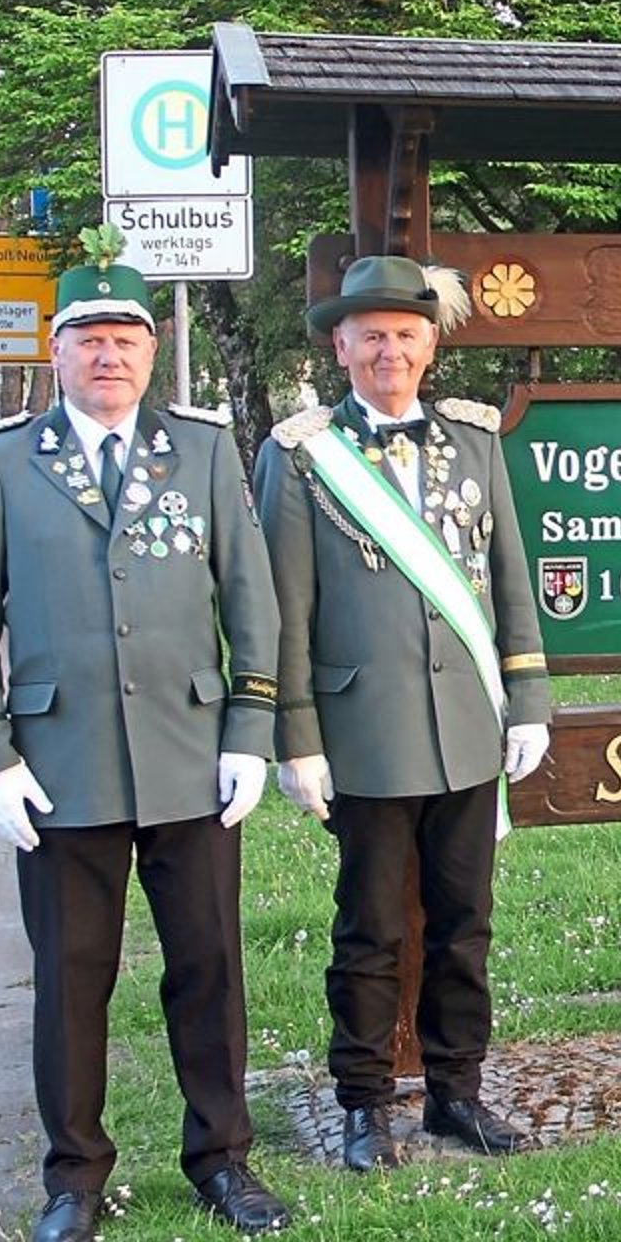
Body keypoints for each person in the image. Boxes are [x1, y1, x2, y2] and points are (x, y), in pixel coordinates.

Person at [0, 241, 289, 1242]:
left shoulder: (206, 450)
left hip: (189, 754)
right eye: (88, 338)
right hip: (59, 769)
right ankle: (75, 1175)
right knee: (70, 980)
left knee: (210, 968)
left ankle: (222, 1155)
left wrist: (250, 732)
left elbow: (250, 602)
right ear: (58, 353)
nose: (108, 356)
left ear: (151, 346)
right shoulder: (4, 463)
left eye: (125, 337)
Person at [254, 255, 553, 1168]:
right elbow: (283, 612)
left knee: (464, 927)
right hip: (365, 738)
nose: (391, 349)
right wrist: (296, 738)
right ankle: (363, 1104)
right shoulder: (301, 456)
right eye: (372, 334)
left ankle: (457, 1095)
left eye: (407, 333)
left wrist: (529, 697)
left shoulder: (475, 439)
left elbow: (510, 583)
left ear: (431, 343)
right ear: (340, 344)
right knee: (371, 930)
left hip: (467, 728)